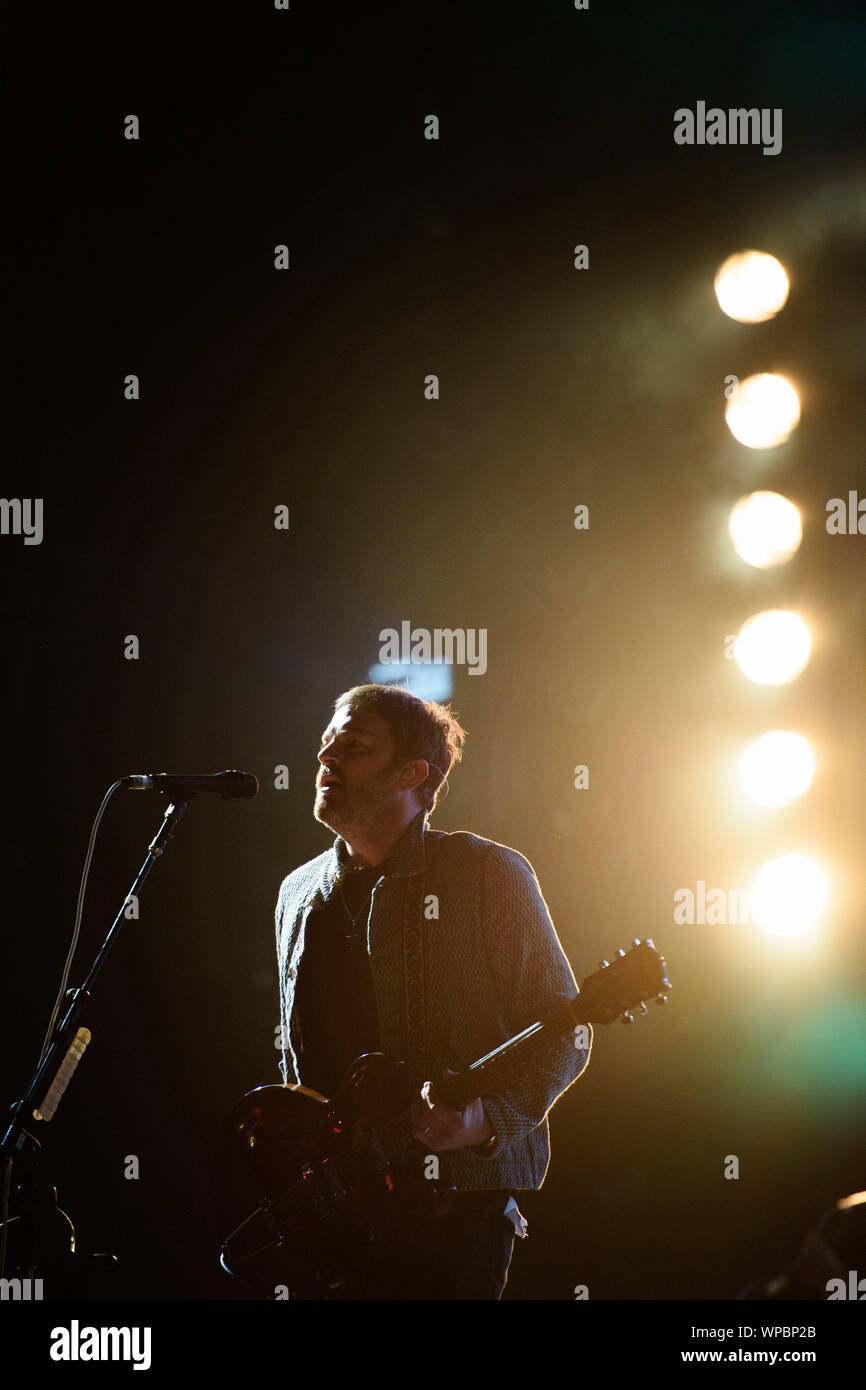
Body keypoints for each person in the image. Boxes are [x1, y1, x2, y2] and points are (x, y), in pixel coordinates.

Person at [274, 682, 591, 1298]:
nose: (325, 756)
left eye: (353, 745)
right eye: (326, 742)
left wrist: (485, 1121)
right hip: (330, 1214)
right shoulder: (297, 891)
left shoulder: (488, 872)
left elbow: (567, 1030)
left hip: (453, 1213)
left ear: (411, 773)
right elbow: (292, 1054)